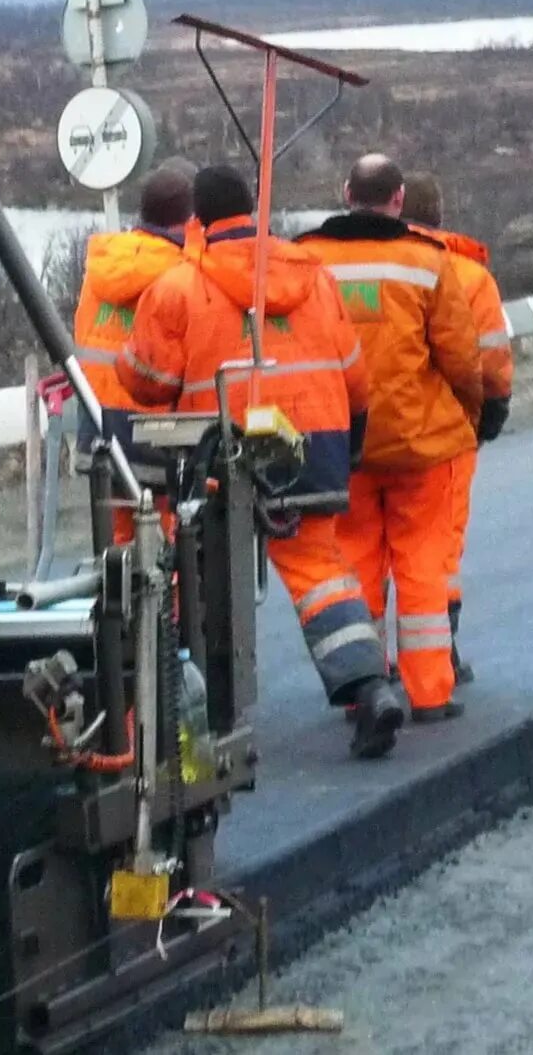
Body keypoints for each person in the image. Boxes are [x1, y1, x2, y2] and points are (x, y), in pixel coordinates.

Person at [123, 165, 408, 758]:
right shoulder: (313, 275)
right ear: (253, 209)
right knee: (320, 573)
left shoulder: (179, 286)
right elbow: (355, 377)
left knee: (197, 578)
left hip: (217, 451)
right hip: (311, 445)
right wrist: (349, 442)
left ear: (197, 220)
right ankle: (370, 687)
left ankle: (200, 712)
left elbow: (149, 384)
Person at [299, 154, 486, 725]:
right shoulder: (427, 263)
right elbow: (460, 356)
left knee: (353, 563)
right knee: (422, 563)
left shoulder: (306, 260)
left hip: (342, 443)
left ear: (345, 190)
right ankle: (429, 692)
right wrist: (474, 417)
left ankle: (366, 686)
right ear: (399, 199)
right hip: (419, 446)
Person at [400, 171, 510, 688]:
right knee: (438, 544)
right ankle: (438, 656)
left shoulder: (359, 266)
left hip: (370, 429)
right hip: (446, 430)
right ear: (440, 214)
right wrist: (493, 410)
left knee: (364, 546)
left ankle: (368, 668)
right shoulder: (468, 275)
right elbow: (490, 357)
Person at [72, 165, 196, 547]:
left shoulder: (103, 267)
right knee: (174, 553)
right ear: (191, 219)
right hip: (158, 440)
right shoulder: (183, 274)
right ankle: (172, 610)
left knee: (119, 556)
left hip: (99, 434)